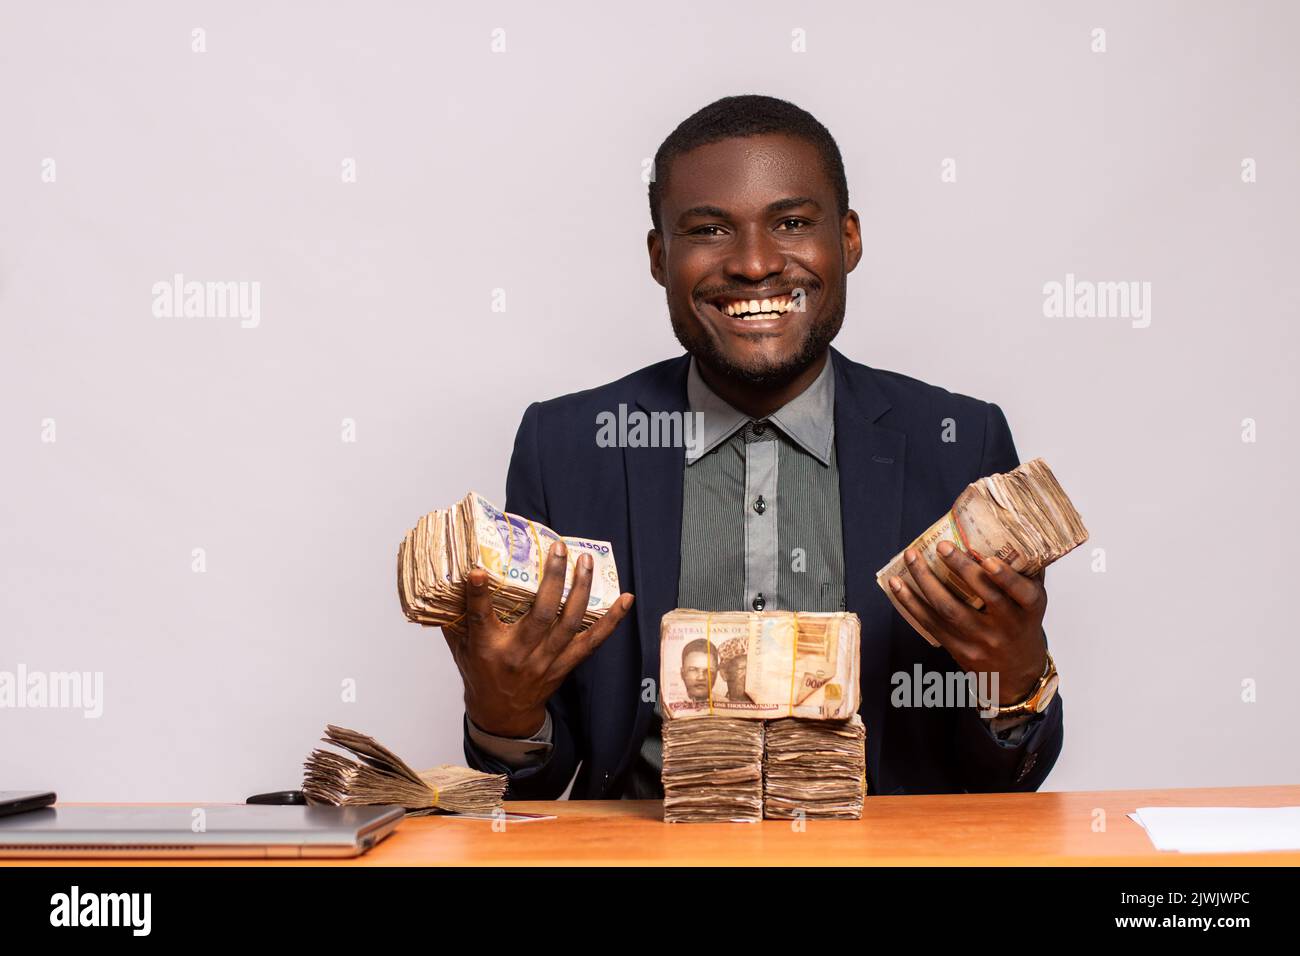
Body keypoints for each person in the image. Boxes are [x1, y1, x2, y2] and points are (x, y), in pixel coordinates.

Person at [442, 94, 1064, 800]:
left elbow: (1009, 782)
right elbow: (525, 788)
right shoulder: (567, 447)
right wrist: (504, 711)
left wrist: (1015, 683)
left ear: (850, 239)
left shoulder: (959, 440)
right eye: (709, 230)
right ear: (659, 257)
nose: (755, 263)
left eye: (793, 223)